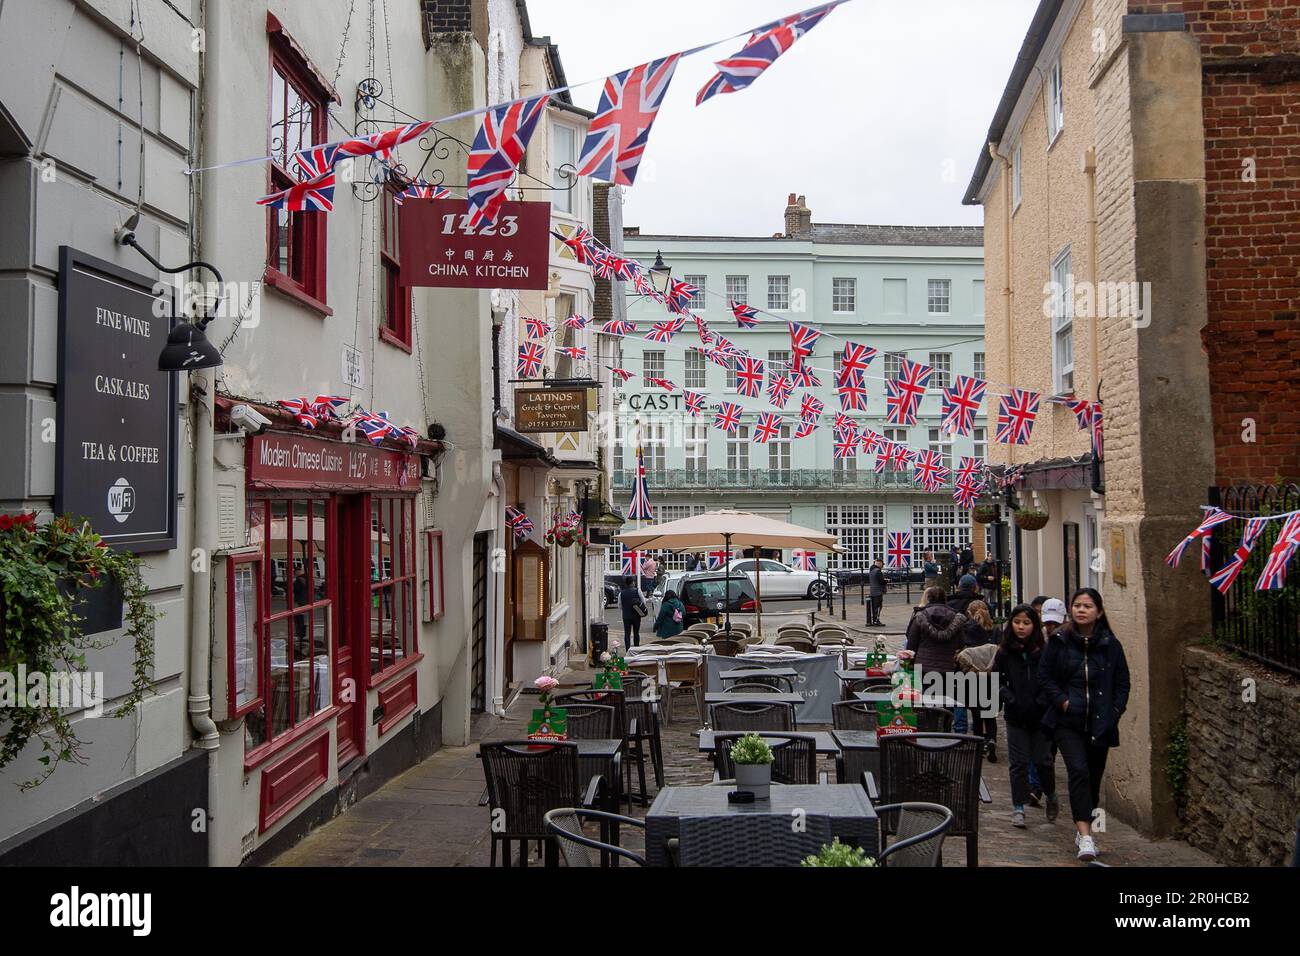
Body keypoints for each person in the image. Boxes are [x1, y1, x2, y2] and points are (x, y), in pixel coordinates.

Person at [1037, 587, 1130, 862]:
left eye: (1087, 606)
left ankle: (1085, 822)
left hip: (1100, 722)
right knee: (1077, 770)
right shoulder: (1059, 641)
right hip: (1068, 721)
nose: (1081, 610)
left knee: (1092, 776)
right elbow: (1045, 677)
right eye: (1077, 605)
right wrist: (1062, 701)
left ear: (1098, 612)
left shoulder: (1111, 645)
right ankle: (1086, 836)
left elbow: (1122, 683)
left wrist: (1114, 711)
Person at [995, 604, 1059, 828]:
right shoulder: (1004, 652)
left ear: (1034, 625)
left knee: (1043, 761)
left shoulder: (1044, 651)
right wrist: (1009, 697)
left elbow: (1052, 679)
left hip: (1040, 716)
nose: (1021, 627)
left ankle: (1050, 794)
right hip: (1016, 716)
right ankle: (1018, 807)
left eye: (1026, 623)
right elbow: (997, 680)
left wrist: (1042, 701)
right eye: (1017, 622)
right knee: (1018, 763)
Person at [956, 599, 1000, 760]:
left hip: (972, 676)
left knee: (976, 713)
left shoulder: (967, 629)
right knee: (990, 714)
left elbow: (961, 652)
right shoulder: (995, 630)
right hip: (991, 677)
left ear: (970, 613)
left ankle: (979, 743)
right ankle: (991, 739)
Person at [905, 586, 966, 690]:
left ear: (929, 598)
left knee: (923, 700)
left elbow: (912, 643)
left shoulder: (920, 616)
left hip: (923, 665)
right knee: (946, 700)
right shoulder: (956, 617)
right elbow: (961, 643)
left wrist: (910, 662)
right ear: (945, 598)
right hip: (947, 665)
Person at [618, 576, 648, 648]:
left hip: (626, 616)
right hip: (636, 615)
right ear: (632, 583)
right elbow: (643, 601)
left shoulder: (621, 593)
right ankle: (636, 649)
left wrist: (626, 609)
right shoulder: (637, 591)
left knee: (627, 634)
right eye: (634, 582)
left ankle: (628, 650)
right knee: (636, 633)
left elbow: (619, 606)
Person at [867, 559, 887, 626]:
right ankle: (876, 620)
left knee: (874, 607)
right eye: (882, 564)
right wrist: (886, 581)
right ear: (879, 563)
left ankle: (874, 620)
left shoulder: (871, 570)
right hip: (878, 591)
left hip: (872, 591)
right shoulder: (878, 571)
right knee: (878, 607)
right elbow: (881, 581)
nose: (882, 566)